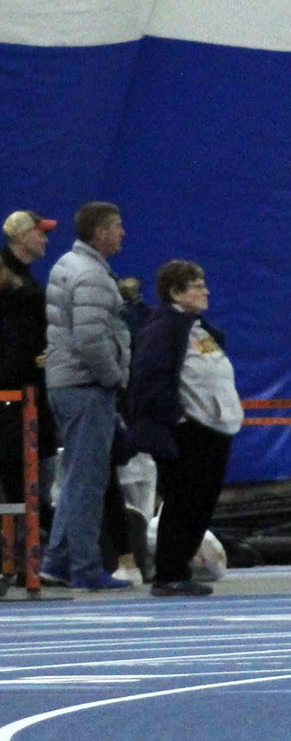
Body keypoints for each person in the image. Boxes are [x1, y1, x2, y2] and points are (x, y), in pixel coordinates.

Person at [126, 260, 241, 597]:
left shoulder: (197, 326)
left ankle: (179, 569)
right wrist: (176, 417)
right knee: (183, 501)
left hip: (213, 429)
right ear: (176, 292)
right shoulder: (162, 327)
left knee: (201, 501)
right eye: (196, 285)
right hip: (188, 430)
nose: (205, 290)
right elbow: (147, 376)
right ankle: (169, 574)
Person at [40, 202, 132, 592]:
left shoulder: (66, 263)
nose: (123, 232)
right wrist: (114, 377)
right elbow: (91, 338)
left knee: (75, 475)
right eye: (116, 226)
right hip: (85, 386)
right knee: (87, 481)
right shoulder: (92, 274)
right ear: (98, 233)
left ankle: (57, 562)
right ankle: (84, 565)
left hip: (65, 383)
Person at [0, 211, 54, 519]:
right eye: (40, 233)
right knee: (17, 471)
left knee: (36, 466)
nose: (45, 239)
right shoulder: (12, 282)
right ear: (21, 236)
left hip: (29, 386)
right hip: (15, 392)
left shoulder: (24, 276)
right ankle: (23, 549)